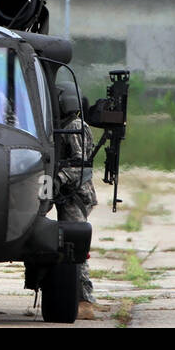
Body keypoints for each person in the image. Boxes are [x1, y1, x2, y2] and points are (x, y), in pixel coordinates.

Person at [54, 88, 107, 320]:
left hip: (75, 195)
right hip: (73, 193)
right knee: (71, 246)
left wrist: (58, 179)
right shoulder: (74, 125)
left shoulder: (73, 127)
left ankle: (85, 300)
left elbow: (79, 164)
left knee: (75, 248)